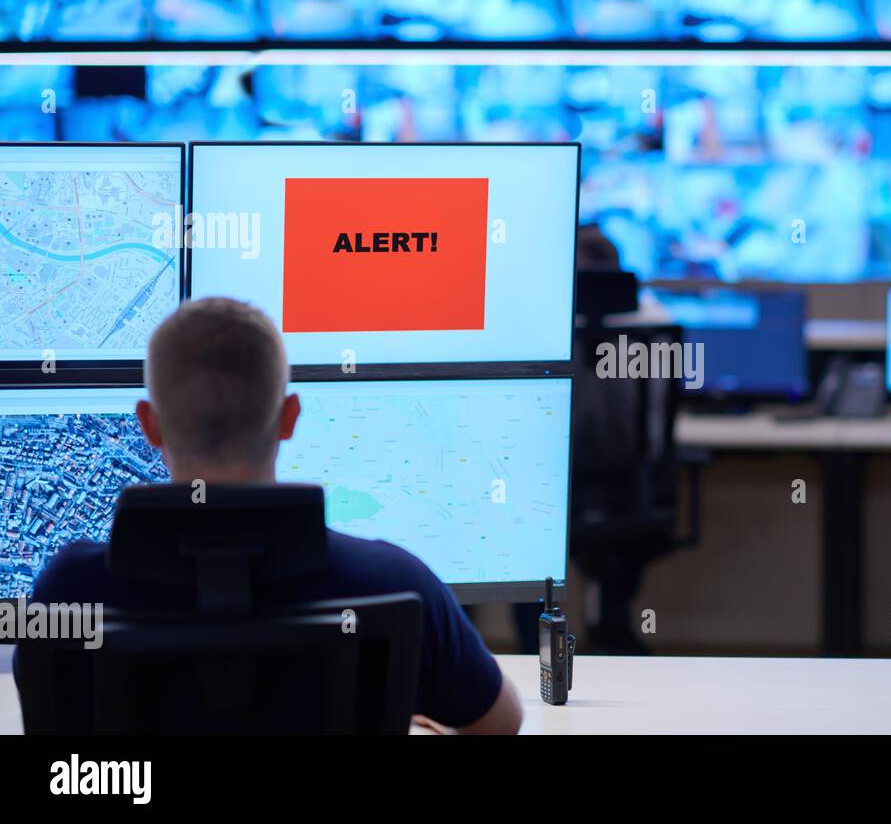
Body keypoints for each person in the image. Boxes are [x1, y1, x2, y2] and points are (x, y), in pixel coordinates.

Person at [20, 297, 522, 734]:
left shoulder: (68, 591)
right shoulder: (393, 583)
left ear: (148, 425)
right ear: (290, 417)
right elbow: (502, 723)